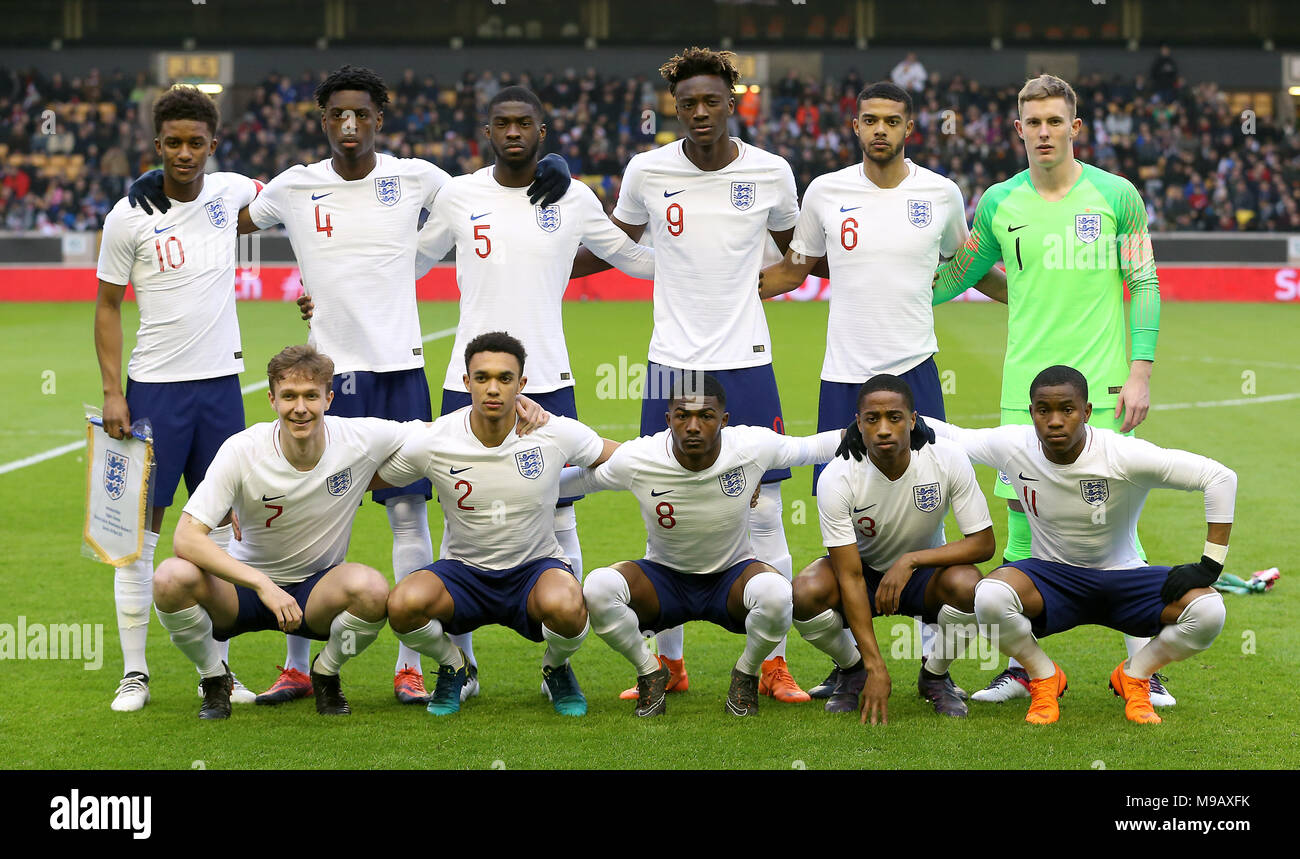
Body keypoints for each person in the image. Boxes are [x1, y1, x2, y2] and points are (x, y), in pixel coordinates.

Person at [127, 65, 572, 706]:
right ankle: (297, 665)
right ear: (323, 121)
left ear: (379, 119)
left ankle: (414, 665)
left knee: (410, 516)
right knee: (296, 516)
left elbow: (491, 189)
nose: (350, 124)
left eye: (361, 113)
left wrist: (551, 161)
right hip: (326, 379)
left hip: (399, 370)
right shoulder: (294, 186)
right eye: (338, 114)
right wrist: (170, 186)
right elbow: (226, 215)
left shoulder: (417, 178)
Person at [759, 81, 1003, 698]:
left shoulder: (941, 194)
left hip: (916, 372)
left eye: (891, 121)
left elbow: (966, 269)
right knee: (840, 513)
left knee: (934, 508)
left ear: (910, 127)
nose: (879, 131)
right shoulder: (826, 192)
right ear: (855, 125)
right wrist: (724, 282)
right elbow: (797, 267)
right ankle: (852, 664)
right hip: (844, 379)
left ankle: (935, 672)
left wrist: (1036, 292)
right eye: (869, 120)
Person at [931, 74, 1169, 705]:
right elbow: (960, 275)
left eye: (1053, 121)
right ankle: (1025, 668)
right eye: (1031, 122)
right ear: (1018, 129)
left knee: (1117, 523)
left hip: (1103, 388)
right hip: (1023, 392)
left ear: (1074, 128)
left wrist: (1140, 370)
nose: (1043, 132)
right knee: (1019, 526)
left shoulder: (1117, 197)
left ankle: (1143, 668)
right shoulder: (997, 203)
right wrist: (884, 270)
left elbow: (1143, 283)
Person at [413, 85, 654, 701]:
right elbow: (406, 261)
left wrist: (721, 256)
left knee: (561, 511)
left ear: (543, 133)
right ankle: (457, 669)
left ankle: (557, 663)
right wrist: (325, 291)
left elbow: (631, 256)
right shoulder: (459, 195)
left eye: (525, 123)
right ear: (486, 132)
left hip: (548, 378)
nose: (513, 132)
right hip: (465, 382)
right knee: (456, 512)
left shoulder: (572, 196)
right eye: (502, 123)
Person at [604, 46, 807, 703]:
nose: (698, 112)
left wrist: (740, 290)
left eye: (710, 101)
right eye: (685, 102)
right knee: (662, 505)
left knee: (769, 506)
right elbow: (616, 243)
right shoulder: (646, 169)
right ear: (674, 106)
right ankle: (670, 661)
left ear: (732, 102)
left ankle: (772, 661)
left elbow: (795, 257)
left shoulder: (772, 172)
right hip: (671, 361)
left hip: (746, 359)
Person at [920, 365, 1234, 724]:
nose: (1054, 421)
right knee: (989, 596)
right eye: (1043, 410)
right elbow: (951, 436)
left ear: (1086, 412)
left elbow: (1219, 477)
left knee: (1210, 612)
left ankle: (1137, 674)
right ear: (1032, 412)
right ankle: (1043, 677)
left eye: (1067, 410)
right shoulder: (1014, 446)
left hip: (1124, 578)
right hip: (1053, 580)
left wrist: (1209, 565)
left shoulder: (1122, 455)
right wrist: (888, 422)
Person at [94, 85, 259, 711]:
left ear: (212, 146)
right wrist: (114, 392)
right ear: (156, 145)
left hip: (222, 390)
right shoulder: (126, 216)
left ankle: (216, 672)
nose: (184, 153)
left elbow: (282, 192)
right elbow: (106, 309)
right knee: (138, 534)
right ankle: (134, 673)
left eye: (195, 143)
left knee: (216, 534)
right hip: (154, 392)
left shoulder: (230, 191)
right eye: (172, 143)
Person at [151, 345, 410, 719]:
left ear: (329, 398)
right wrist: (261, 584)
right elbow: (186, 538)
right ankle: (214, 678)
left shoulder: (358, 437)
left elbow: (430, 435)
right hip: (242, 594)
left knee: (371, 590)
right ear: (272, 399)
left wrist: (516, 412)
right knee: (169, 578)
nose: (300, 408)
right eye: (288, 396)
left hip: (314, 593)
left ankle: (325, 673)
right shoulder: (242, 449)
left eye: (310, 396)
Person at [569, 374, 842, 717]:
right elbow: (582, 481)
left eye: (706, 416)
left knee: (777, 595)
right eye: (683, 416)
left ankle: (746, 673)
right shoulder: (640, 456)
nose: (693, 426)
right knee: (598, 587)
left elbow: (811, 448)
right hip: (663, 580)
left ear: (723, 421)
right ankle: (650, 671)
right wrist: (516, 485)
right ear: (668, 420)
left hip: (730, 578)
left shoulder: (750, 447)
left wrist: (867, 430)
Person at [380, 332, 617, 717]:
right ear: (466, 382)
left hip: (534, 570)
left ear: (522, 385)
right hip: (463, 573)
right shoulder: (436, 438)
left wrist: (705, 473)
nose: (493, 388)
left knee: (570, 606)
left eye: (505, 379)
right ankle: (454, 664)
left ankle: (555, 668)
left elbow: (622, 459)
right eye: (482, 377)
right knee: (403, 604)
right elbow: (371, 476)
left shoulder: (553, 431)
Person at [799, 375, 994, 723]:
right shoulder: (838, 476)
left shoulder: (946, 459)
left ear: (913, 419)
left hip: (925, 574)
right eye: (872, 419)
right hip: (864, 575)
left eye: (895, 417)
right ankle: (853, 668)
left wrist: (911, 561)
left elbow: (983, 543)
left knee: (971, 588)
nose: (884, 429)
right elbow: (849, 573)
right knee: (804, 593)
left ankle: (934, 676)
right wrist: (876, 667)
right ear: (858, 424)